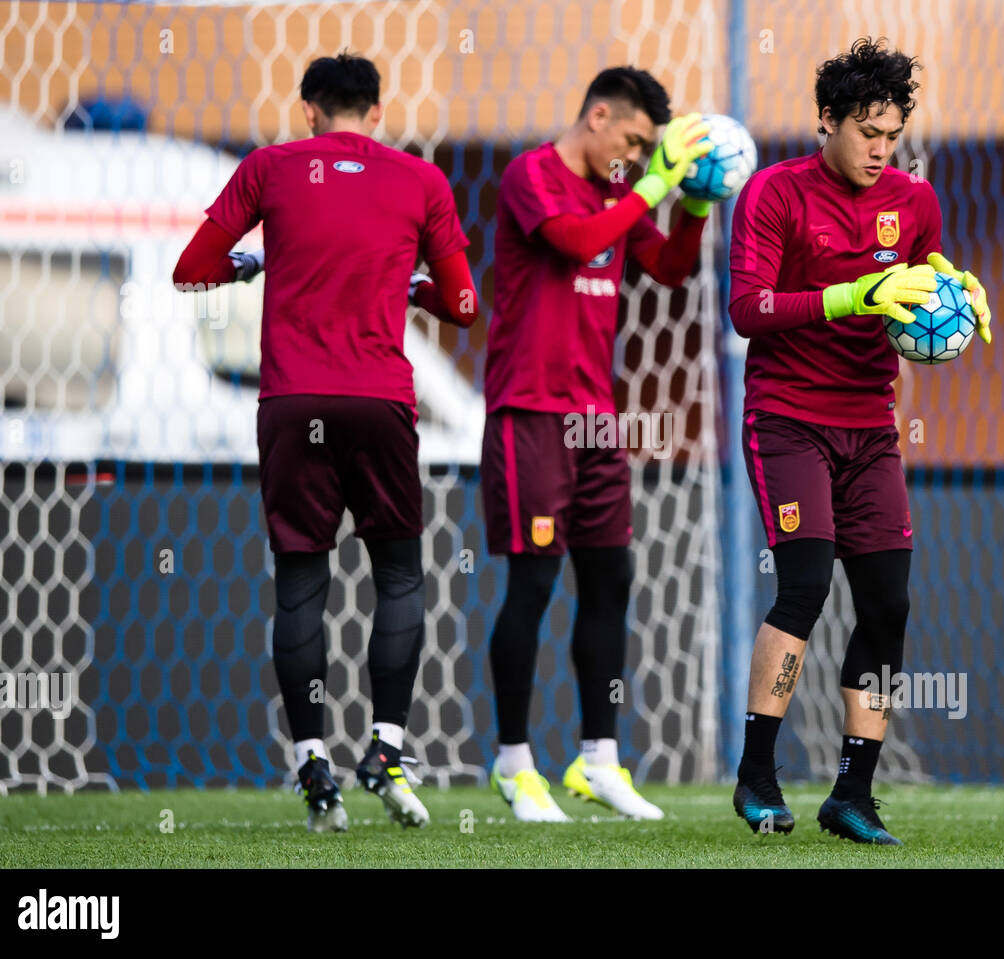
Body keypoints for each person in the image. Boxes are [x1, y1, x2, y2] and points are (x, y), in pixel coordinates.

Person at [173, 52, 479, 832]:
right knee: (401, 576)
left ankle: (313, 760)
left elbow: (190, 268)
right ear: (377, 113)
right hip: (378, 401)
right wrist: (411, 285)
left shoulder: (272, 168)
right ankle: (385, 745)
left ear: (309, 110)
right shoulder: (421, 181)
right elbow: (465, 305)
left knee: (302, 584)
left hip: (290, 400)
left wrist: (249, 264)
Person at [727, 37, 992, 844]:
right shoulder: (775, 194)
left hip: (871, 425)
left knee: (888, 604)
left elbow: (918, 275)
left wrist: (953, 286)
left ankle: (852, 793)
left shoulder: (915, 201)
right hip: (788, 419)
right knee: (804, 588)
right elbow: (748, 309)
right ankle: (756, 773)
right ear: (827, 122)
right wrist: (856, 292)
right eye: (867, 132)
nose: (881, 150)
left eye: (892, 135)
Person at [480, 66, 713, 821]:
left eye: (652, 150)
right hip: (530, 412)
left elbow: (671, 269)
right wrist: (653, 189)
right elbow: (577, 244)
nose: (644, 159)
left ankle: (598, 761)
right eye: (637, 143)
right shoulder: (531, 176)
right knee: (534, 584)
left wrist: (697, 204)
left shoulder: (621, 191)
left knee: (611, 581)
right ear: (599, 116)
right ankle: (515, 764)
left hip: (595, 420)